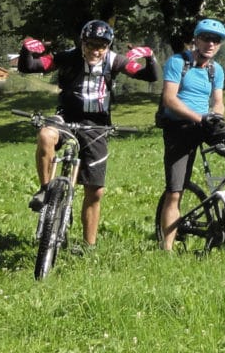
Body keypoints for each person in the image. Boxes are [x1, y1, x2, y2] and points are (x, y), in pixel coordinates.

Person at [18, 18, 157, 250]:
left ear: (108, 46)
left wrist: (150, 57)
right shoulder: (68, 57)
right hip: (66, 117)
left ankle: (89, 247)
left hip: (97, 125)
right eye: (91, 44)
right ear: (82, 43)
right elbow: (29, 67)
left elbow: (149, 76)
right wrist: (27, 50)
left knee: (95, 191)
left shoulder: (114, 60)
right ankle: (45, 190)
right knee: (45, 135)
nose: (96, 50)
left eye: (101, 46)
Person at [155, 18, 225, 251]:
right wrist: (200, 118)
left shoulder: (216, 70)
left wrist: (216, 115)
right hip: (179, 127)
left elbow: (218, 101)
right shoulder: (178, 62)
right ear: (196, 39)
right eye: (206, 38)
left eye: (216, 40)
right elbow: (169, 99)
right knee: (175, 192)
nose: (210, 44)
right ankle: (166, 249)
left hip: (206, 123)